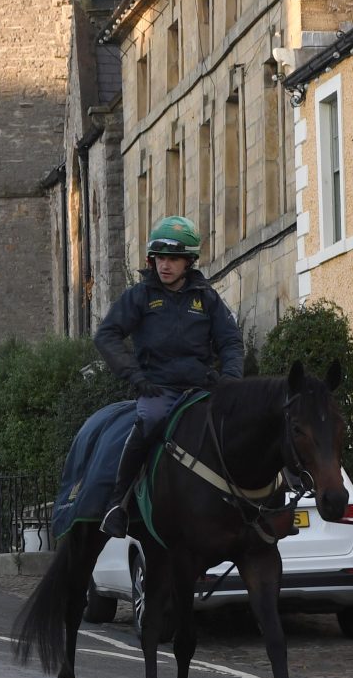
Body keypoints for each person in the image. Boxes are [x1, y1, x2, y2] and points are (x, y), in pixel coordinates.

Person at [92, 216, 244, 537]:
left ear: (188, 262)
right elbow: (106, 335)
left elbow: (230, 341)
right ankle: (118, 504)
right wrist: (134, 375)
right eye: (159, 258)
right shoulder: (140, 296)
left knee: (239, 426)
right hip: (157, 390)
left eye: (173, 259)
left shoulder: (207, 298)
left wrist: (230, 378)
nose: (165, 265)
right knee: (149, 421)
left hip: (201, 389)